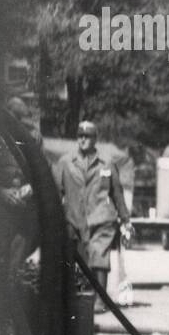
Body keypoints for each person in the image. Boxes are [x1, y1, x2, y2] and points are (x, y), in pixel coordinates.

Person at [55, 120, 132, 305]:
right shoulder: (65, 162)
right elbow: (56, 191)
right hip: (74, 218)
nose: (83, 140)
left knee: (99, 254)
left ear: (95, 139)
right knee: (76, 258)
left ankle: (100, 300)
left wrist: (125, 220)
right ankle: (76, 298)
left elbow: (117, 193)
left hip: (101, 217)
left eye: (87, 136)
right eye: (80, 136)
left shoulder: (107, 163)